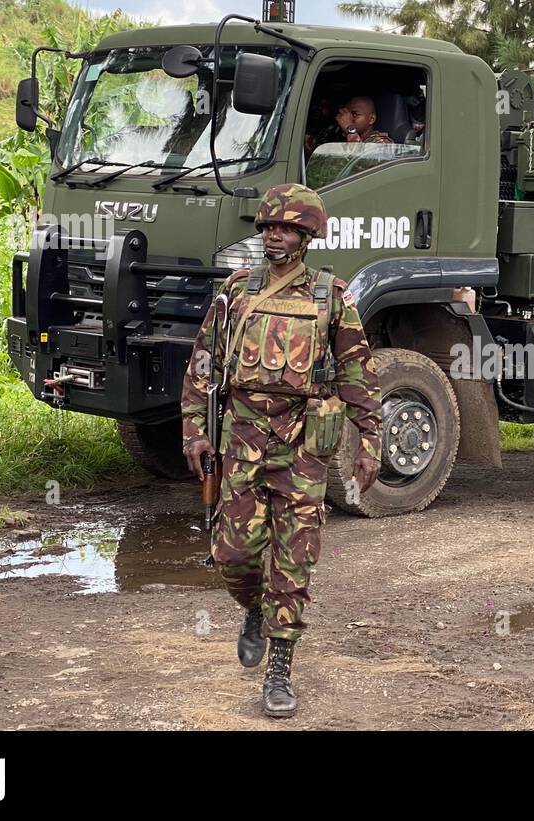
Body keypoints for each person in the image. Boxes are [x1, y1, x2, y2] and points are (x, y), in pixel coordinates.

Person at [179, 183, 382, 718]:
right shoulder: (236, 290)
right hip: (242, 439)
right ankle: (253, 609)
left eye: (288, 227)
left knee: (295, 559)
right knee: (232, 553)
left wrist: (370, 439)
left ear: (307, 235)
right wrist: (195, 431)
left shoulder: (330, 297)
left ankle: (280, 669)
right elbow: (203, 366)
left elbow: (358, 372)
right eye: (270, 226)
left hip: (302, 446)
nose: (276, 235)